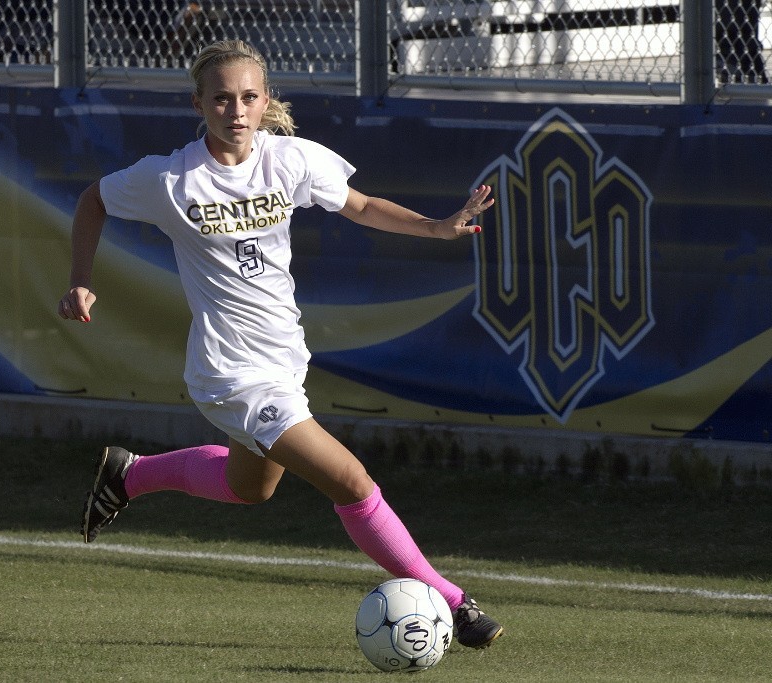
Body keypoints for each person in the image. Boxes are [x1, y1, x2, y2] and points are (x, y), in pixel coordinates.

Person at [57, 39, 503, 649]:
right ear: (199, 104)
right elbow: (93, 202)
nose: (235, 110)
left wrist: (437, 226)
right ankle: (453, 602)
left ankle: (129, 475)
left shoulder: (291, 160)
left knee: (251, 489)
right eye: (221, 98)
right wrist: (80, 282)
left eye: (247, 97)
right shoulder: (171, 179)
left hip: (283, 363)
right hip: (230, 373)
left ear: (266, 101)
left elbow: (364, 205)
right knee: (351, 481)